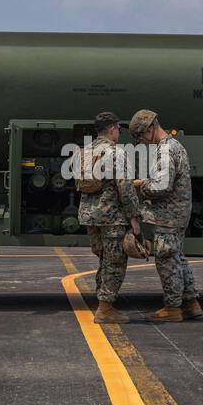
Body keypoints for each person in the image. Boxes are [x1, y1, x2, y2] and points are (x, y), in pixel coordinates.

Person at [128, 109, 201, 322]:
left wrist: (141, 185)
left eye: (141, 136)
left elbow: (161, 186)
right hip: (178, 214)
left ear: (151, 128)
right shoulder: (175, 146)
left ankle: (172, 308)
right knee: (178, 258)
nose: (142, 141)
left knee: (166, 259)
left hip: (168, 216)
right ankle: (191, 303)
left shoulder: (166, 150)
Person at [77, 112, 141, 324]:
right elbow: (125, 188)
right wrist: (134, 218)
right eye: (119, 130)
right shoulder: (116, 152)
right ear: (113, 128)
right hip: (111, 216)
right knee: (115, 262)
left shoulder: (85, 151)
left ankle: (102, 301)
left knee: (104, 258)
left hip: (90, 216)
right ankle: (105, 309)